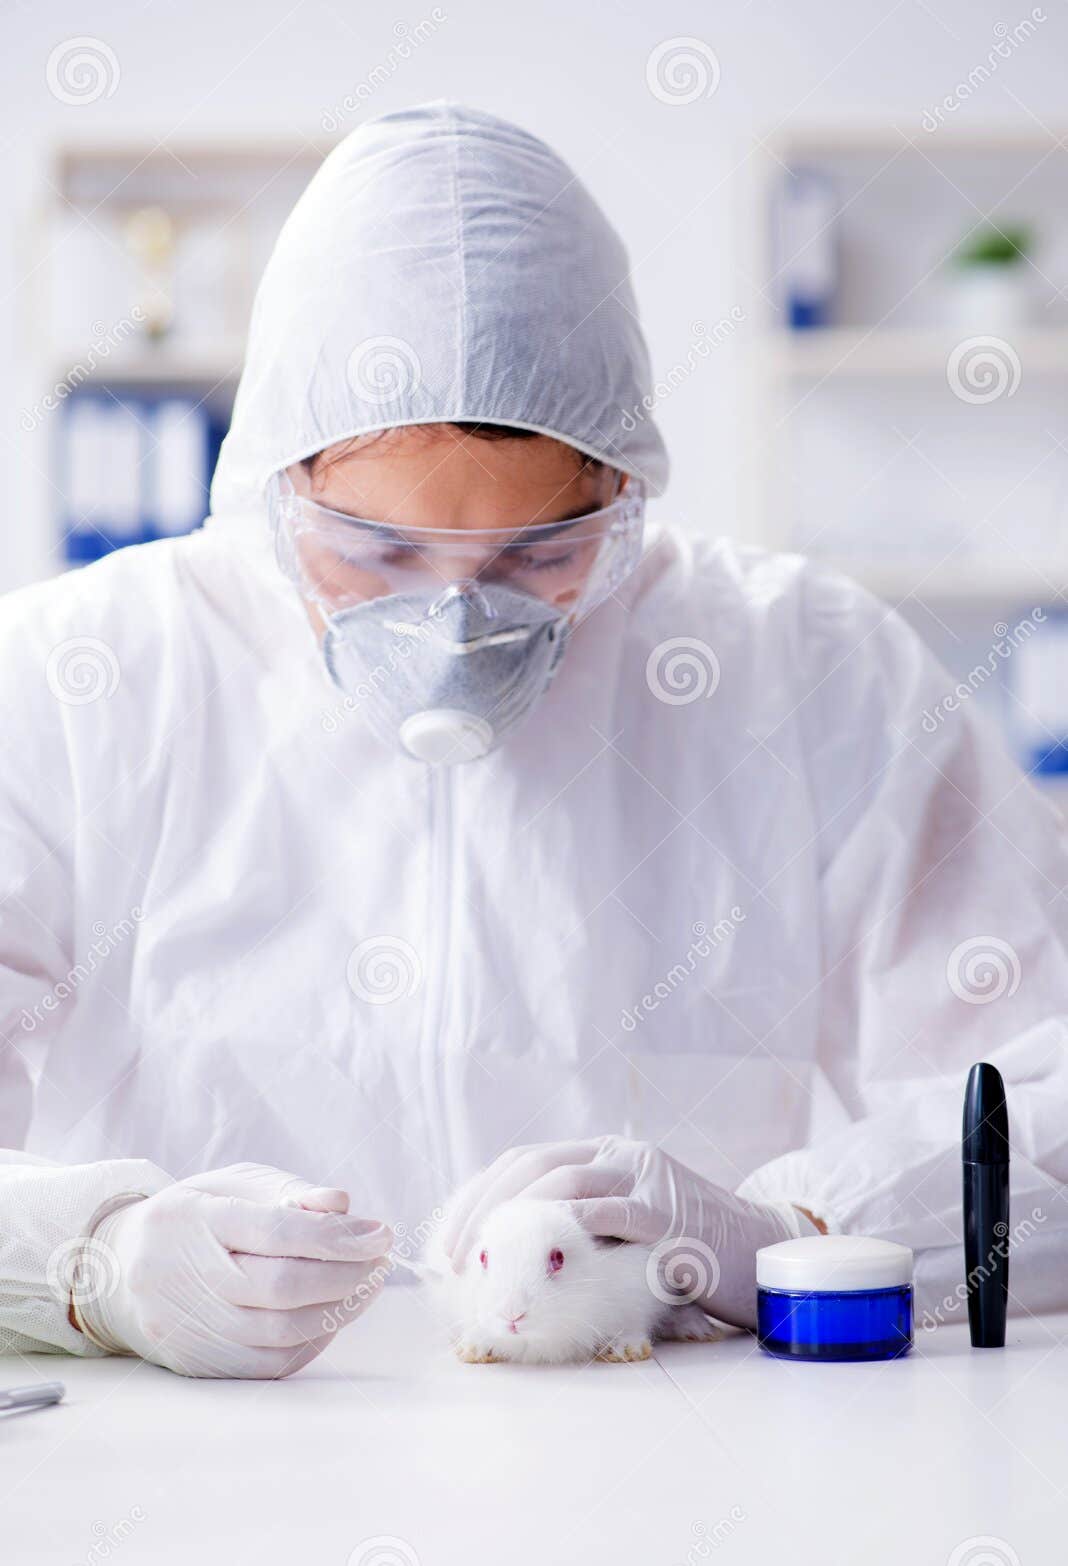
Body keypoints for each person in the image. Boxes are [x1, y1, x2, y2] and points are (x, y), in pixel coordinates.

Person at [2, 104, 1066, 1379]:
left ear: (622, 491)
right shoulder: (83, 682)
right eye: (378, 551)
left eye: (535, 555)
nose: (453, 624)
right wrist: (87, 1259)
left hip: (697, 1495)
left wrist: (794, 1230)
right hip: (189, 1484)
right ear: (277, 484)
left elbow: (1043, 1092)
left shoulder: (808, 671)